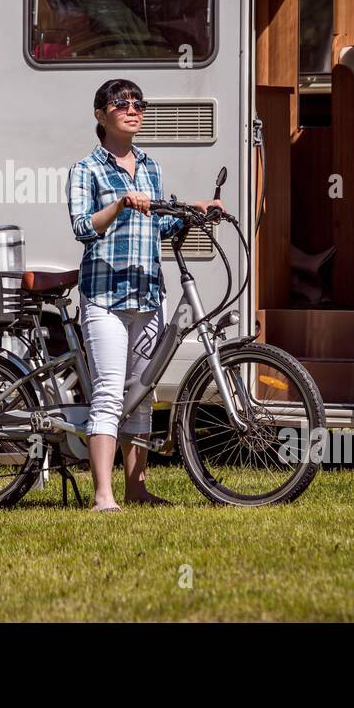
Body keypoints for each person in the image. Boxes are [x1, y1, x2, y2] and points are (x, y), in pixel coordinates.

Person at [67, 78, 222, 512]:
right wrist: (118, 204)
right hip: (105, 298)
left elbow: (160, 225)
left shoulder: (150, 167)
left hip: (149, 294)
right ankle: (103, 496)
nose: (132, 109)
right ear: (101, 115)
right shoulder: (87, 169)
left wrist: (196, 212)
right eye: (121, 104)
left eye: (138, 103)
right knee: (110, 393)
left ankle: (137, 490)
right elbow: (82, 227)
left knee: (141, 394)